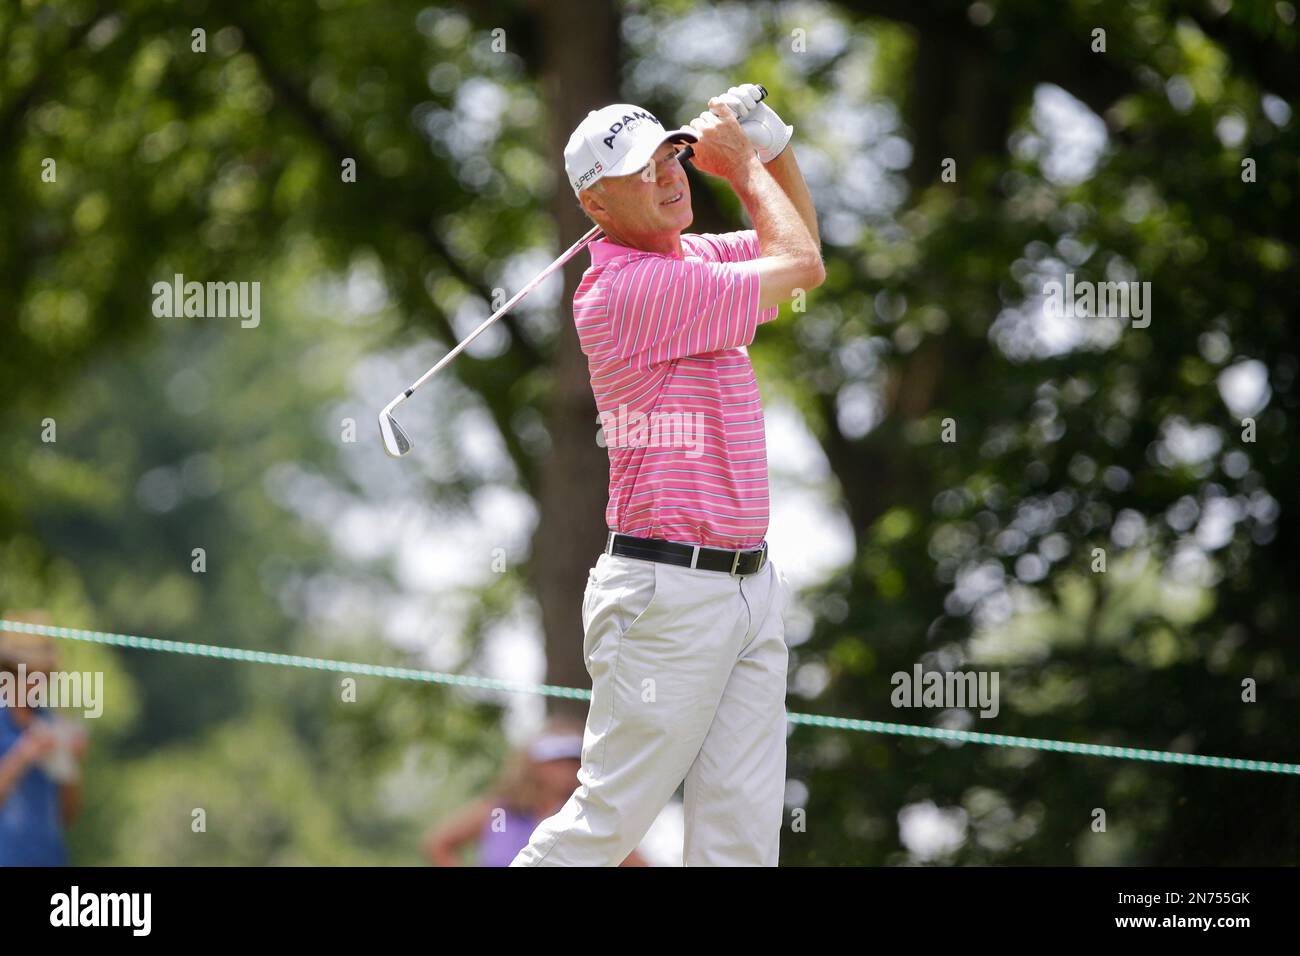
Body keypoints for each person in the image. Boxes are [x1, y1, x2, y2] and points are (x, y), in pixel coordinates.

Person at [511, 85, 822, 867]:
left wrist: (773, 142)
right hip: (668, 594)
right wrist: (748, 169)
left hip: (749, 586)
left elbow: (800, 246)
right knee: (608, 823)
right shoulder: (627, 290)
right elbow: (803, 265)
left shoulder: (692, 256)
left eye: (671, 155)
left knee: (742, 842)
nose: (669, 175)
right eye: (640, 170)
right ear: (596, 203)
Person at [424, 721, 647, 866]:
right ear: (532, 765)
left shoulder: (590, 817)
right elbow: (439, 843)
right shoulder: (500, 811)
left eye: (571, 760)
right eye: (556, 760)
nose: (566, 768)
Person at [0, 613, 88, 867]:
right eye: (31, 674)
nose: (38, 684)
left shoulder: (51, 722)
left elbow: (67, 815)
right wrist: (24, 755)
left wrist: (69, 764)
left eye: (45, 675)